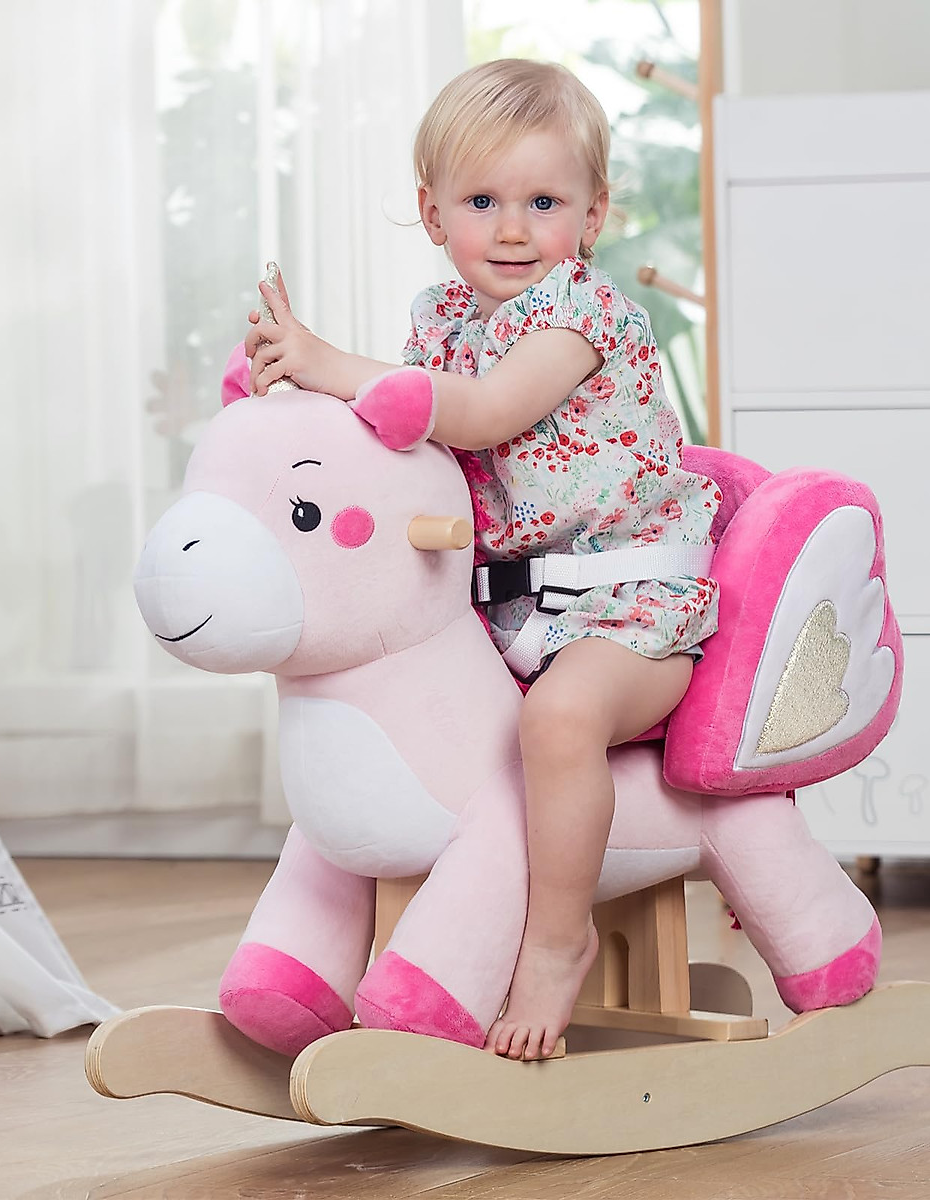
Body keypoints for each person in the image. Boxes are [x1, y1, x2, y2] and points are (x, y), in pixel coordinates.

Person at [242, 58, 720, 1062]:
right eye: (482, 202)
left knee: (559, 721)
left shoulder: (581, 312)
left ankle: (555, 941)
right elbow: (400, 441)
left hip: (631, 606)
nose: (512, 230)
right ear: (432, 213)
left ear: (592, 216)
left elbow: (486, 411)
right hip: (506, 611)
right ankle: (323, 960)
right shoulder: (441, 324)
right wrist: (298, 390)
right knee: (396, 717)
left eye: (544, 203)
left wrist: (334, 361)